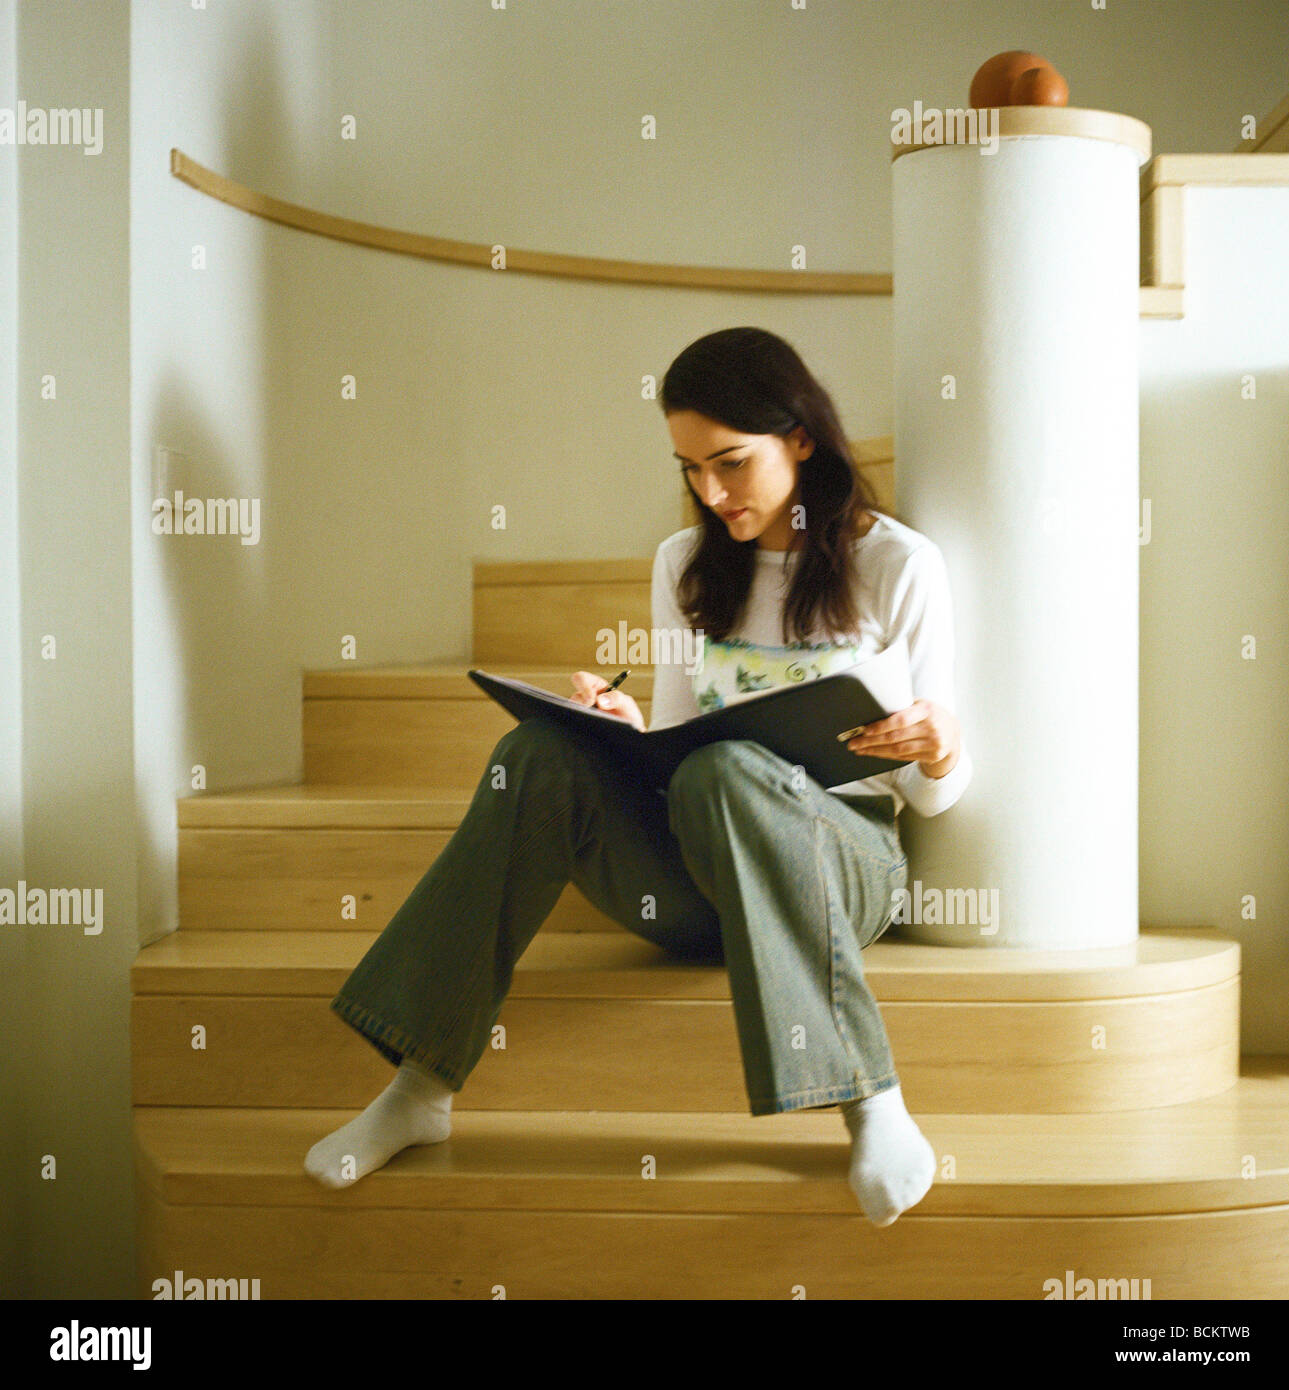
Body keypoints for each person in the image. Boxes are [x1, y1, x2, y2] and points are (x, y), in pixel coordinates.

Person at [305, 326, 972, 1227]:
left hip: (842, 873)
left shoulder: (898, 565)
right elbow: (681, 745)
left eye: (731, 463)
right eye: (691, 469)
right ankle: (420, 1087)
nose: (712, 491)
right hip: (700, 875)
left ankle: (871, 1102)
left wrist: (937, 747)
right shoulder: (685, 566)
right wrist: (625, 736)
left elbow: (933, 796)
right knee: (537, 758)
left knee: (729, 773)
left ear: (802, 438)